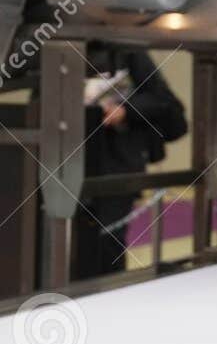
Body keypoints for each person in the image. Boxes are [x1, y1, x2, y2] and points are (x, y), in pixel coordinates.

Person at [73, 45, 188, 279]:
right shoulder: (61, 47)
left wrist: (125, 111)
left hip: (119, 160)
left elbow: (161, 99)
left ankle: (110, 296)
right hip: (72, 158)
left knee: (108, 242)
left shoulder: (129, 51)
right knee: (78, 242)